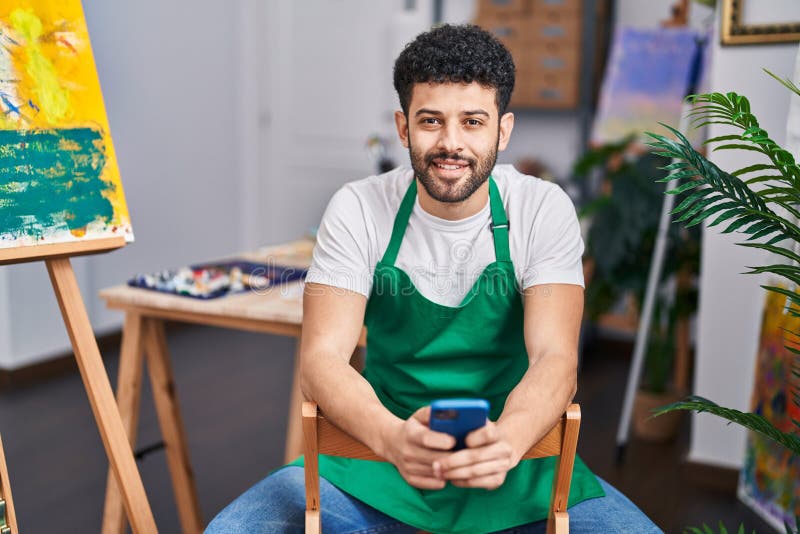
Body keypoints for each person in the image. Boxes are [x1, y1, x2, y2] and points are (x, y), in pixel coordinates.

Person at [206, 24, 661, 534]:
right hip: (376, 462)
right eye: (431, 121)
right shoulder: (358, 207)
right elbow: (320, 361)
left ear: (502, 130)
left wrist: (506, 442)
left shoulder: (542, 209)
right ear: (403, 128)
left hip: (520, 465)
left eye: (472, 122)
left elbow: (556, 359)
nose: (451, 143)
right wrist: (394, 439)